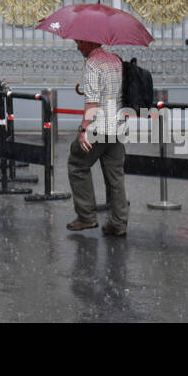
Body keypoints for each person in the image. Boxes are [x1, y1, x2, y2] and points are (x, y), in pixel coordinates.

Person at [66, 38, 129, 236]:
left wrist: (84, 130)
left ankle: (86, 217)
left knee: (77, 165)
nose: (77, 47)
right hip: (117, 126)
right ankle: (118, 223)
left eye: (79, 43)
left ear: (89, 43)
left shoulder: (92, 64)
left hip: (98, 128)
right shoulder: (115, 60)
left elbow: (92, 102)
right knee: (115, 176)